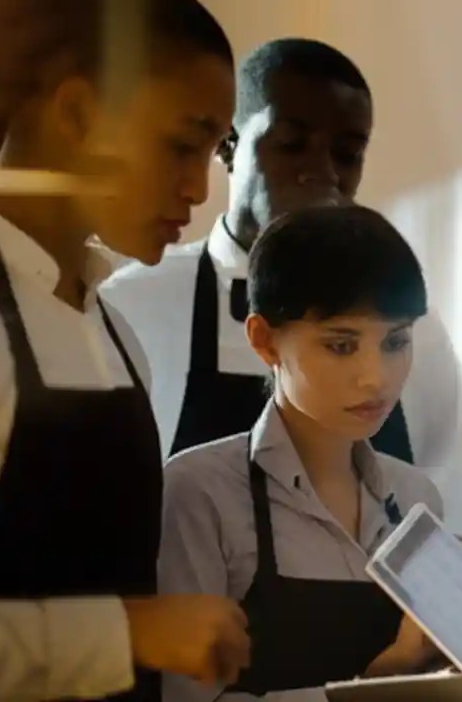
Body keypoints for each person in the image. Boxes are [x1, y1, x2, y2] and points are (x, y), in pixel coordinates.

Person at [0, 0, 250, 699]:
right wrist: (125, 633)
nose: (199, 187)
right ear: (76, 113)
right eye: (181, 145)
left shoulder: (116, 333)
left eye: (215, 152)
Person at [101, 38, 462, 537]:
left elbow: (445, 526)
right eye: (291, 144)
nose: (321, 173)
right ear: (228, 146)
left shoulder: (415, 331)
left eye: (347, 153)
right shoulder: (133, 307)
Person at [158, 205, 446, 701]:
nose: (376, 377)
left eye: (396, 341)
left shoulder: (417, 498)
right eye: (341, 345)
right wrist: (381, 683)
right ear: (264, 340)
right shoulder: (198, 493)